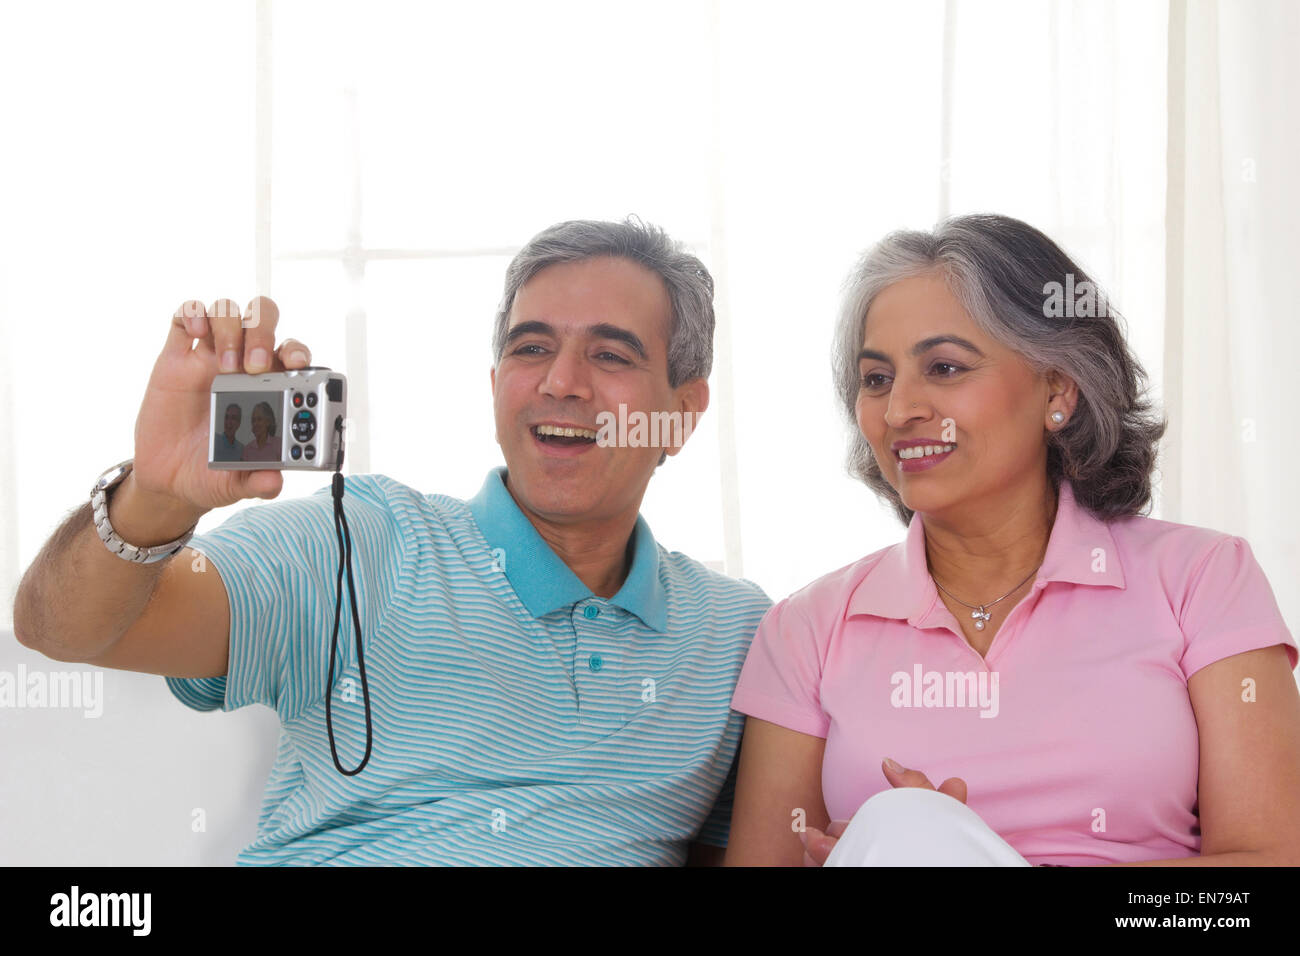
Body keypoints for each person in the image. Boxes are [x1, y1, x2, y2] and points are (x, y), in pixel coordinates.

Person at [14, 217, 771, 866]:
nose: (561, 382)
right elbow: (61, 627)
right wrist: (152, 498)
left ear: (684, 409)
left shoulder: (738, 634)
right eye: (531, 348)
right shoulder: (359, 542)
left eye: (610, 355)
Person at [723, 213, 1300, 867]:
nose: (899, 409)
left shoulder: (1202, 578)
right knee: (902, 823)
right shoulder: (807, 627)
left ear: (1057, 388)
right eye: (876, 378)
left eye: (943, 367)